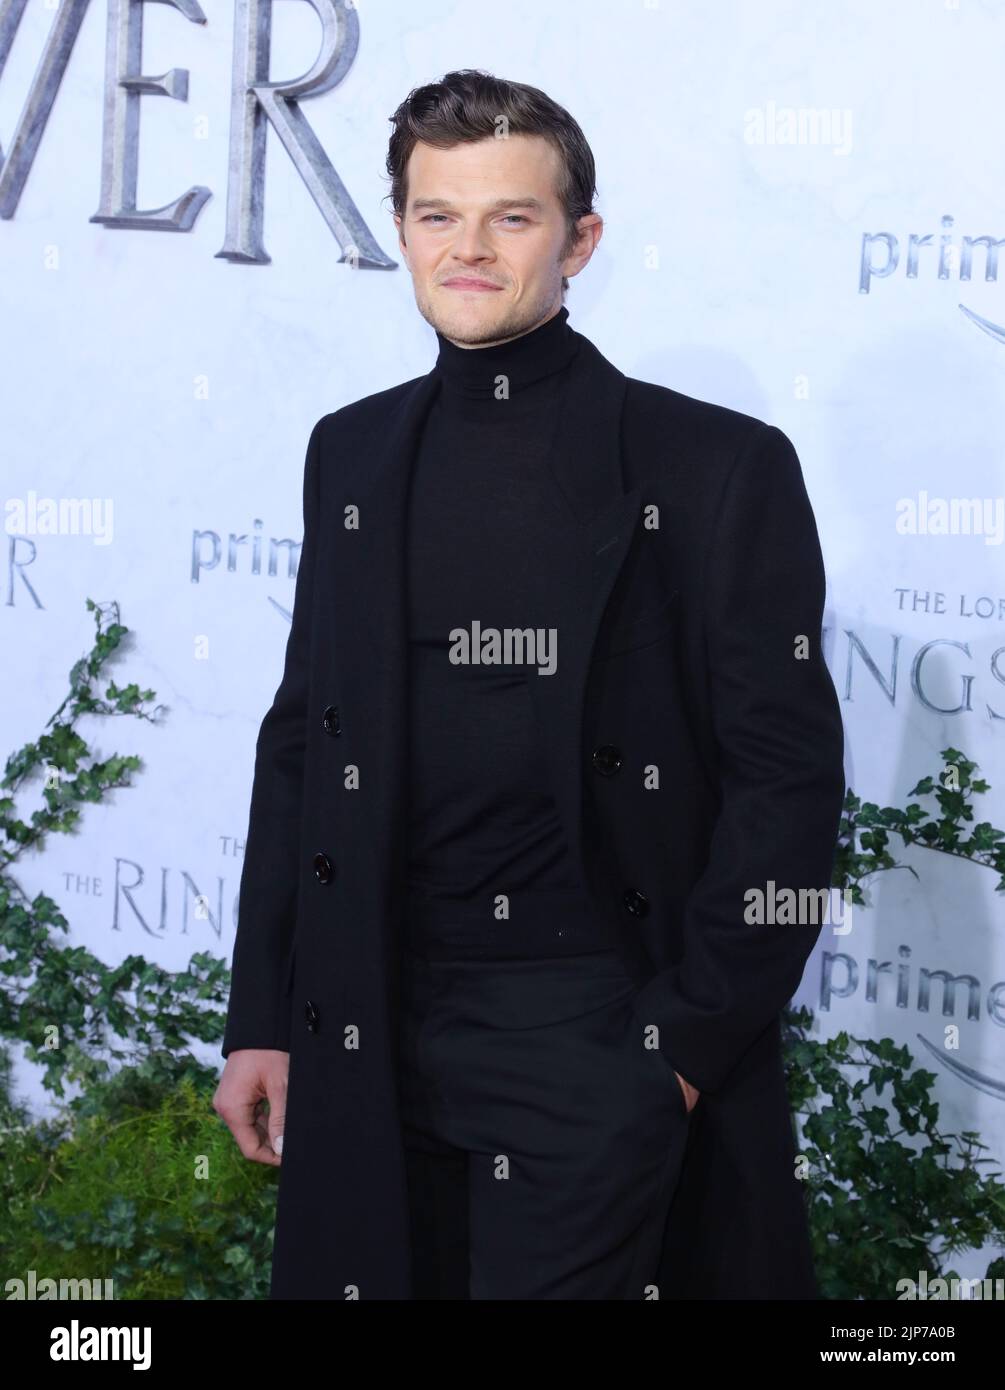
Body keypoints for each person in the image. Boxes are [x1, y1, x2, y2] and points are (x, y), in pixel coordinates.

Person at [213, 68, 846, 1300]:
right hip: (371, 1024)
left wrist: (676, 1048)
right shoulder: (351, 449)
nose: (468, 247)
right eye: (437, 214)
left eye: (512, 216)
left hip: (592, 1033)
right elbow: (302, 740)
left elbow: (788, 786)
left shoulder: (715, 468)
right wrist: (265, 1011)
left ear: (579, 239)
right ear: (397, 229)